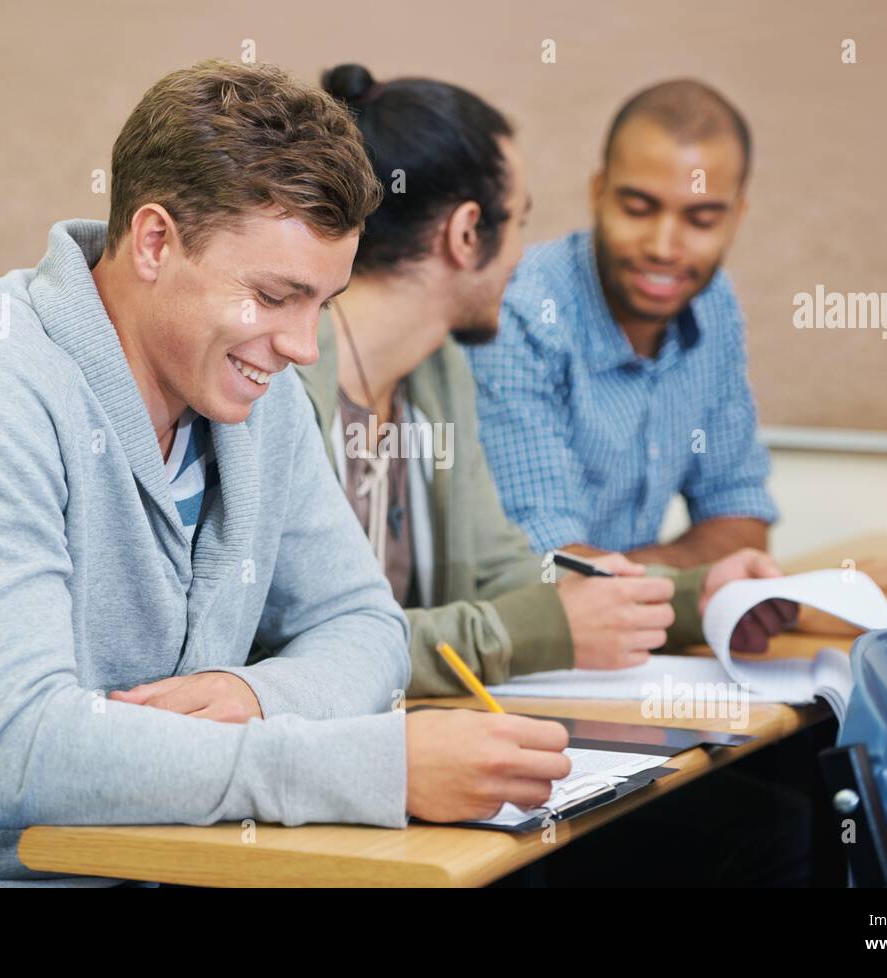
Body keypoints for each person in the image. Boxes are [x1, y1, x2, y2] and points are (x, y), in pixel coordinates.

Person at [0, 61, 573, 887]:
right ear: (153, 242)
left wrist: (255, 699)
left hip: (124, 864)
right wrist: (374, 768)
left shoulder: (257, 389)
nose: (302, 348)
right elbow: (21, 751)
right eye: (274, 295)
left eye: (322, 304)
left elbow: (366, 628)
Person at [296, 65, 795, 698]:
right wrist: (535, 629)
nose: (521, 259)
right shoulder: (289, 377)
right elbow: (304, 650)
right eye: (520, 222)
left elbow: (504, 569)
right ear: (467, 233)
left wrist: (698, 596)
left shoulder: (437, 370)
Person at [465, 78, 887, 626]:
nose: (664, 246)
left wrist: (684, 577)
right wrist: (758, 591)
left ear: (737, 216)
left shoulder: (712, 303)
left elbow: (740, 517)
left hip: (636, 650)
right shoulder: (520, 312)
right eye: (639, 207)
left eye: (701, 219)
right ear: (597, 192)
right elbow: (550, 575)